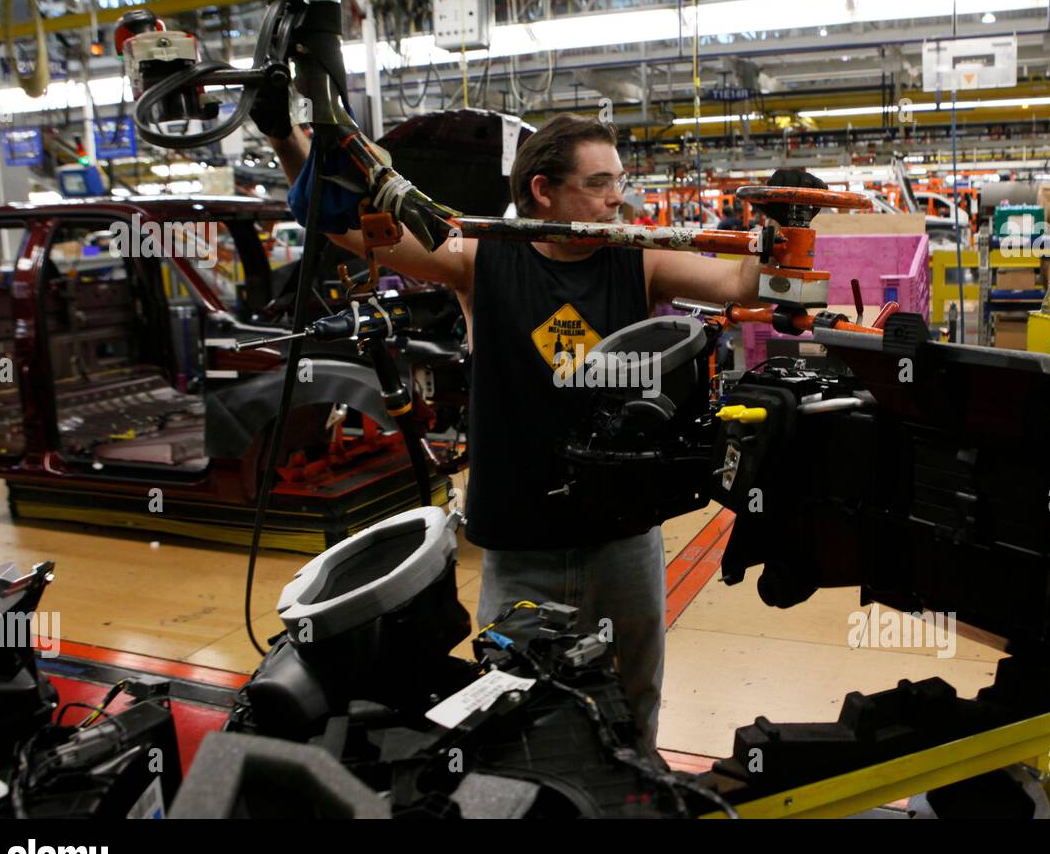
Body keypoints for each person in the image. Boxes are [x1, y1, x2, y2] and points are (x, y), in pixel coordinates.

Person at [255, 107, 762, 750]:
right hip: (520, 545)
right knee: (513, 710)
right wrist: (289, 139)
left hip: (623, 542)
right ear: (543, 191)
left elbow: (741, 281)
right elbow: (345, 227)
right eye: (600, 183)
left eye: (620, 181)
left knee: (634, 703)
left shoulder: (639, 258)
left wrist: (785, 223)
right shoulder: (481, 256)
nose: (618, 199)